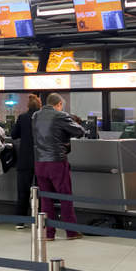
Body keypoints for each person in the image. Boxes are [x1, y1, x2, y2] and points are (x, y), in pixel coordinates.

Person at [33, 93, 86, 241]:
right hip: (56, 161)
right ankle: (71, 232)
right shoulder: (60, 115)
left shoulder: (36, 116)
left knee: (46, 199)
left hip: (39, 162)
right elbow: (79, 131)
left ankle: (49, 233)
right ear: (59, 104)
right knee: (64, 197)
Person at [9, 94, 43, 229]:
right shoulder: (42, 118)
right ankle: (41, 219)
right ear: (40, 105)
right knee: (42, 190)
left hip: (24, 159)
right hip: (41, 158)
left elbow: (14, 135)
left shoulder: (22, 117)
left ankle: (20, 220)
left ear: (28, 105)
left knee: (23, 190)